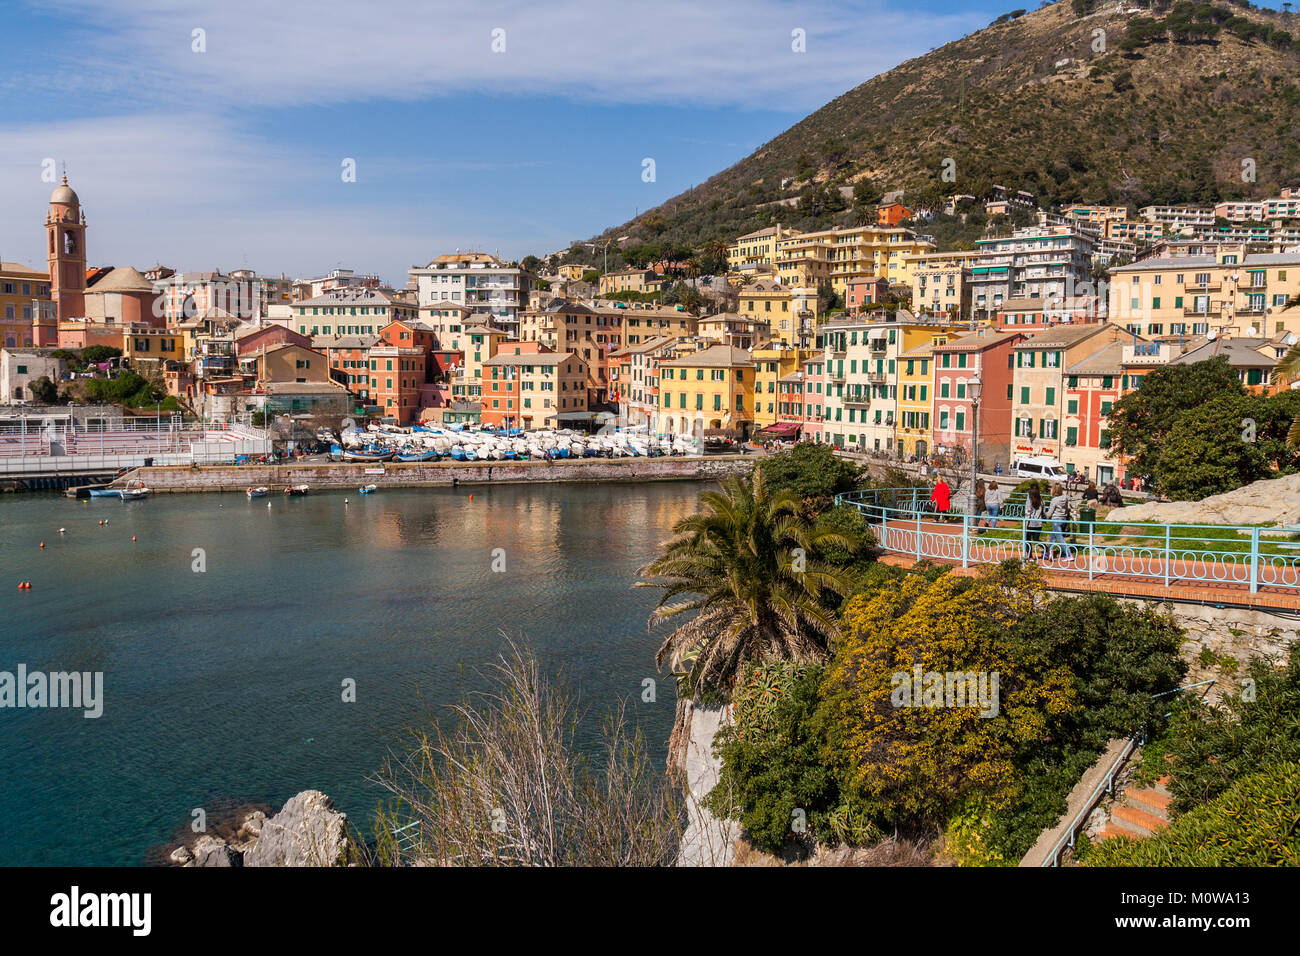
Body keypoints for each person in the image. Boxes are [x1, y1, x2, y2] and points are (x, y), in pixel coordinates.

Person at [1046, 482, 1074, 561]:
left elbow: (1050, 512)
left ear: (1054, 490)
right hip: (1063, 519)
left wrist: (1045, 516)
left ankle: (1069, 554)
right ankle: (1048, 553)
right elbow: (1067, 509)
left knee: (1060, 538)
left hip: (1056, 520)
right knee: (1053, 537)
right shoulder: (1065, 498)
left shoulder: (1054, 500)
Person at [1023, 484, 1044, 560]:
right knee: (1036, 539)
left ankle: (1030, 557)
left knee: (1028, 540)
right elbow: (1043, 511)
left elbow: (1027, 512)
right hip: (1039, 523)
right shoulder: (1041, 500)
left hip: (1031, 523)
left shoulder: (1029, 500)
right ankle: (1047, 550)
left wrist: (1026, 524)